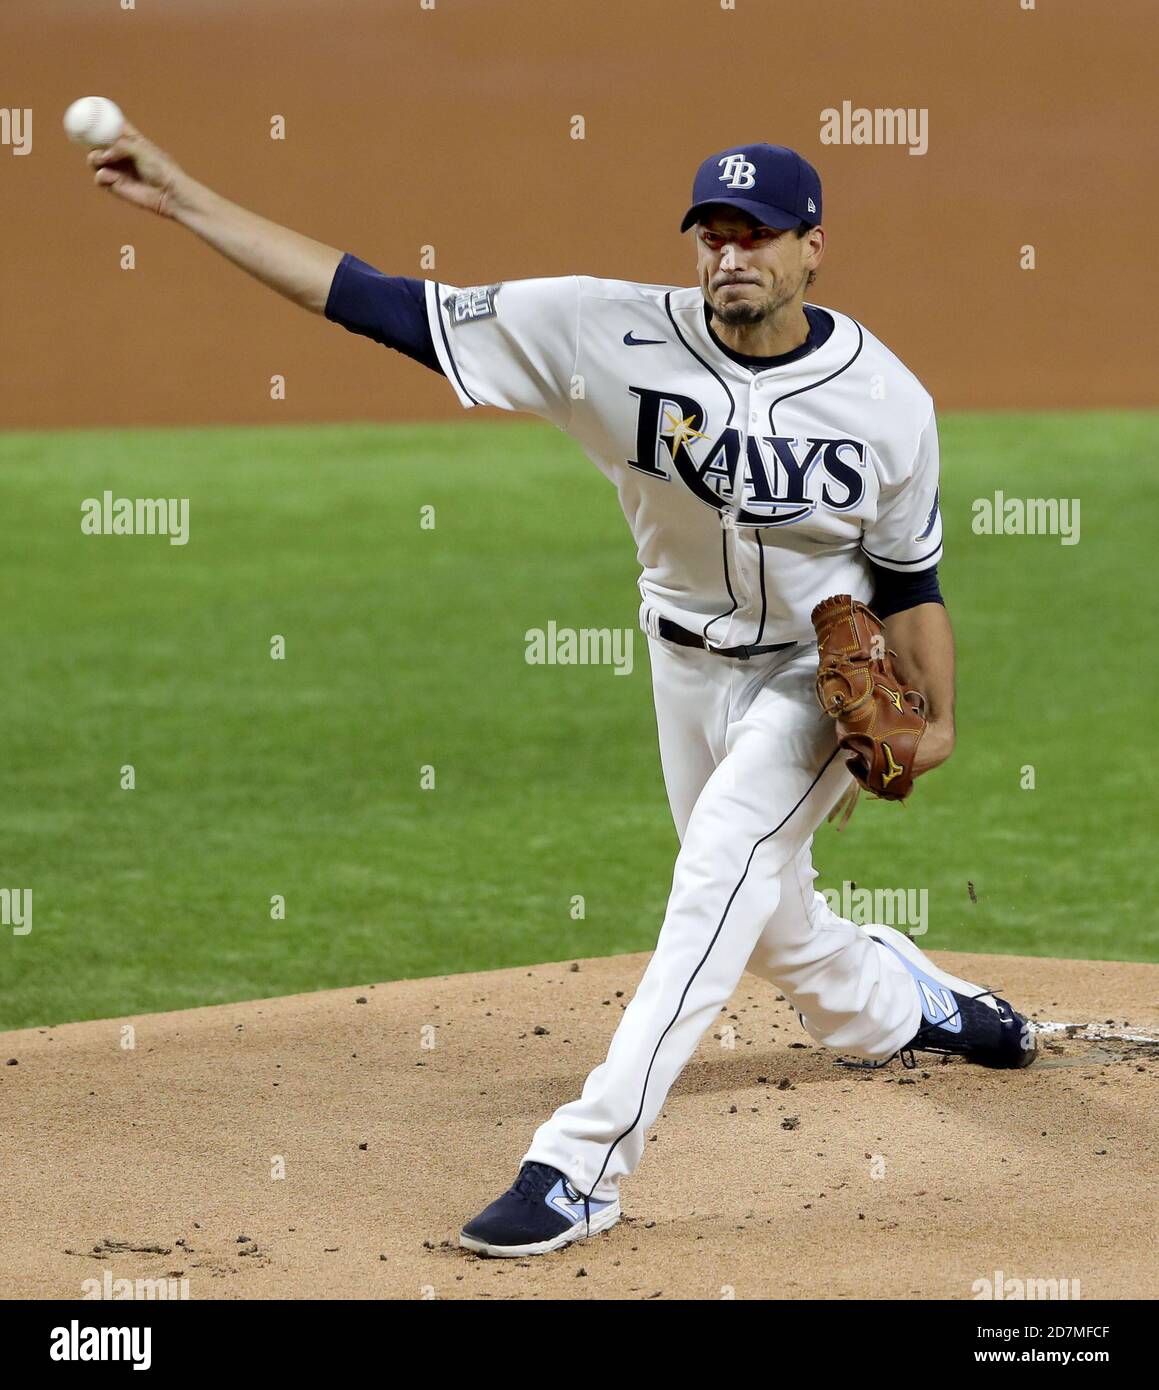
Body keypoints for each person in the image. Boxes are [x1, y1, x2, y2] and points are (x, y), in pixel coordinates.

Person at [85, 132, 1036, 1261]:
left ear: (812, 247)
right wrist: (189, 200)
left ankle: (580, 1163)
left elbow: (911, 578)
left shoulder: (887, 400)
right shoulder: (604, 332)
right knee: (770, 926)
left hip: (809, 684)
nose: (731, 254)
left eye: (759, 235)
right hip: (680, 667)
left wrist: (941, 719)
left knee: (719, 866)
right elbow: (383, 304)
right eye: (713, 234)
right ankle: (894, 1001)